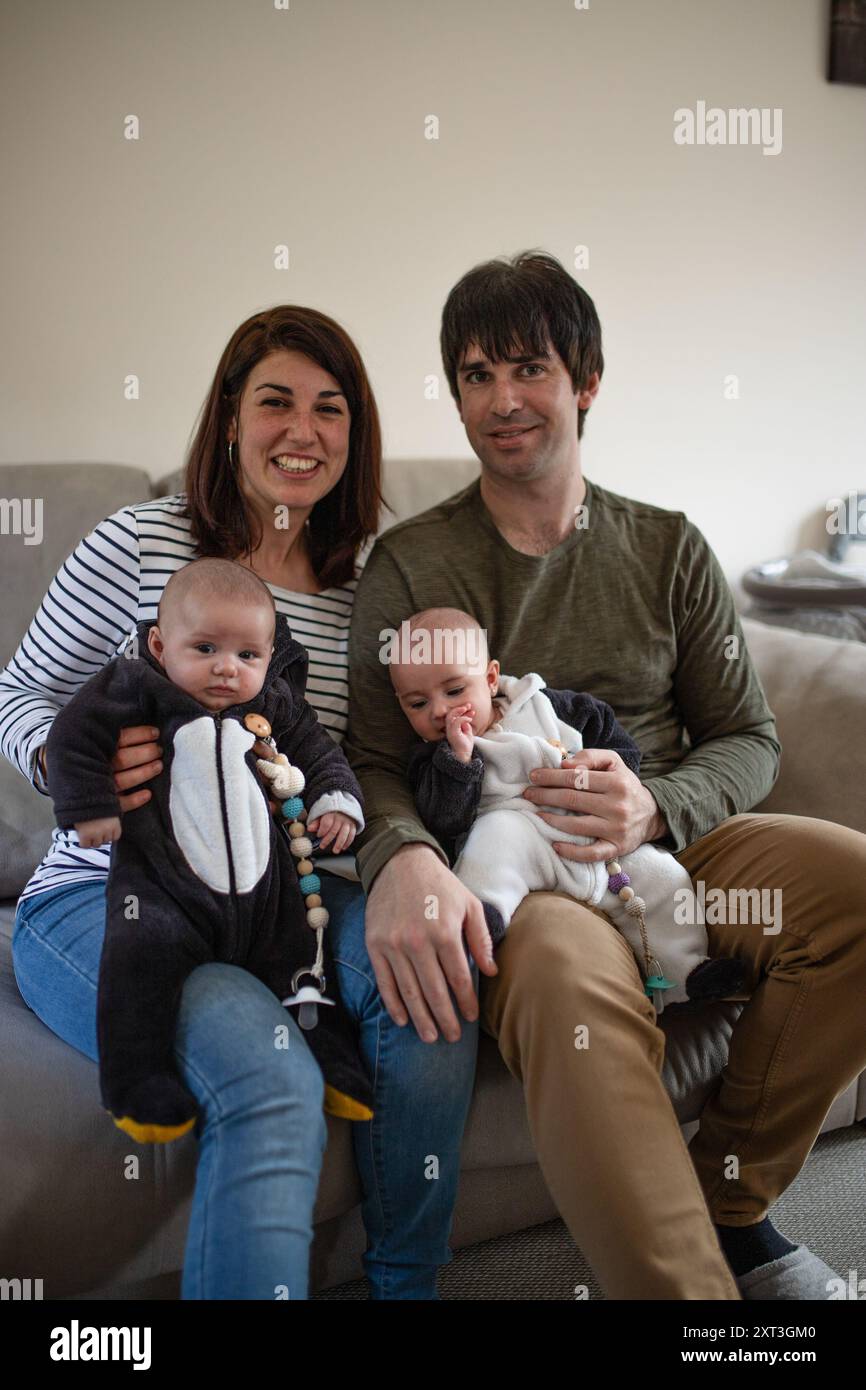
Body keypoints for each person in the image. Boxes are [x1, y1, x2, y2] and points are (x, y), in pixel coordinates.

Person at [343, 251, 866, 1300]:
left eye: (526, 369)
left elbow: (747, 736)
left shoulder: (666, 546)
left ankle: (728, 1201)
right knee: (567, 976)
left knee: (854, 888)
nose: (500, 402)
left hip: (675, 843)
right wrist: (400, 854)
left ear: (584, 381)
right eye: (475, 377)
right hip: (519, 872)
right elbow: (366, 761)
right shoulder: (408, 567)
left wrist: (654, 803)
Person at [0, 305, 478, 1300]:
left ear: (355, 435)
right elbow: (19, 692)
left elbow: (361, 757)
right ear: (228, 418)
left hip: (279, 900)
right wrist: (65, 760)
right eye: (274, 402)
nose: (301, 430)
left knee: (431, 990)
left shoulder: (364, 593)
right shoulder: (140, 542)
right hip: (106, 896)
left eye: (329, 408)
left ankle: (405, 1288)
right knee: (272, 1078)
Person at [43, 557, 371, 1142]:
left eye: (247, 655)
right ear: (160, 644)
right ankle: (138, 1079)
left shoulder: (271, 706)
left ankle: (328, 1053)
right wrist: (89, 805)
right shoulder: (135, 689)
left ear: (269, 659)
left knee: (301, 953)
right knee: (140, 960)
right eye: (204, 649)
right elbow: (73, 733)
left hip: (266, 893)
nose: (226, 669)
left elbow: (317, 751)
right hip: (162, 891)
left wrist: (336, 801)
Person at [388, 605, 747, 1012]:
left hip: (600, 834)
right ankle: (484, 918)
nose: (439, 710)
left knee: (664, 877)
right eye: (417, 704)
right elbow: (442, 819)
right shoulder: (433, 758)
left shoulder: (547, 705)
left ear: (490, 679)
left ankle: (688, 970)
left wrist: (613, 771)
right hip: (524, 842)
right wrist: (459, 761)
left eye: (454, 691)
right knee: (492, 844)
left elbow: (614, 740)